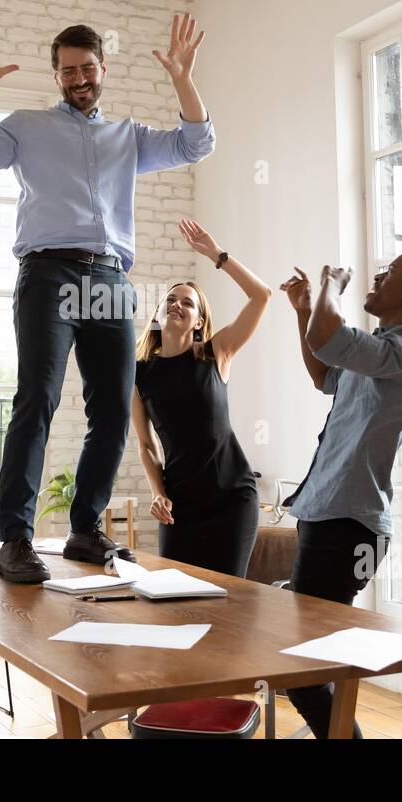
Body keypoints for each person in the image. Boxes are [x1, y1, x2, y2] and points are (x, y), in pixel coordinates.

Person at [0, 15, 215, 583]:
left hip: (111, 279)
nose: (79, 78)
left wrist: (183, 79)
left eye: (88, 68)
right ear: (57, 74)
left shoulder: (128, 137)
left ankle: (84, 530)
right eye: (68, 70)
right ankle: (15, 539)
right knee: (37, 399)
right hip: (48, 274)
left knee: (115, 410)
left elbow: (196, 142)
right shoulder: (28, 126)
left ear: (102, 69)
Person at [279, 247, 402, 738]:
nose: (377, 276)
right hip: (325, 513)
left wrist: (330, 287)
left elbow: (329, 337)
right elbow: (323, 373)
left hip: (350, 525)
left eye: (390, 272)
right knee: (307, 659)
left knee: (305, 669)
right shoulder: (376, 349)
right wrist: (303, 312)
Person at [130, 218, 270, 577]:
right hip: (178, 503)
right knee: (173, 600)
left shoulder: (215, 353)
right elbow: (146, 445)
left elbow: (261, 296)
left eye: (188, 303)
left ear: (198, 320)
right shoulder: (138, 373)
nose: (177, 305)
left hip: (232, 499)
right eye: (170, 300)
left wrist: (216, 255)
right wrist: (157, 492)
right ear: (159, 314)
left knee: (226, 601)